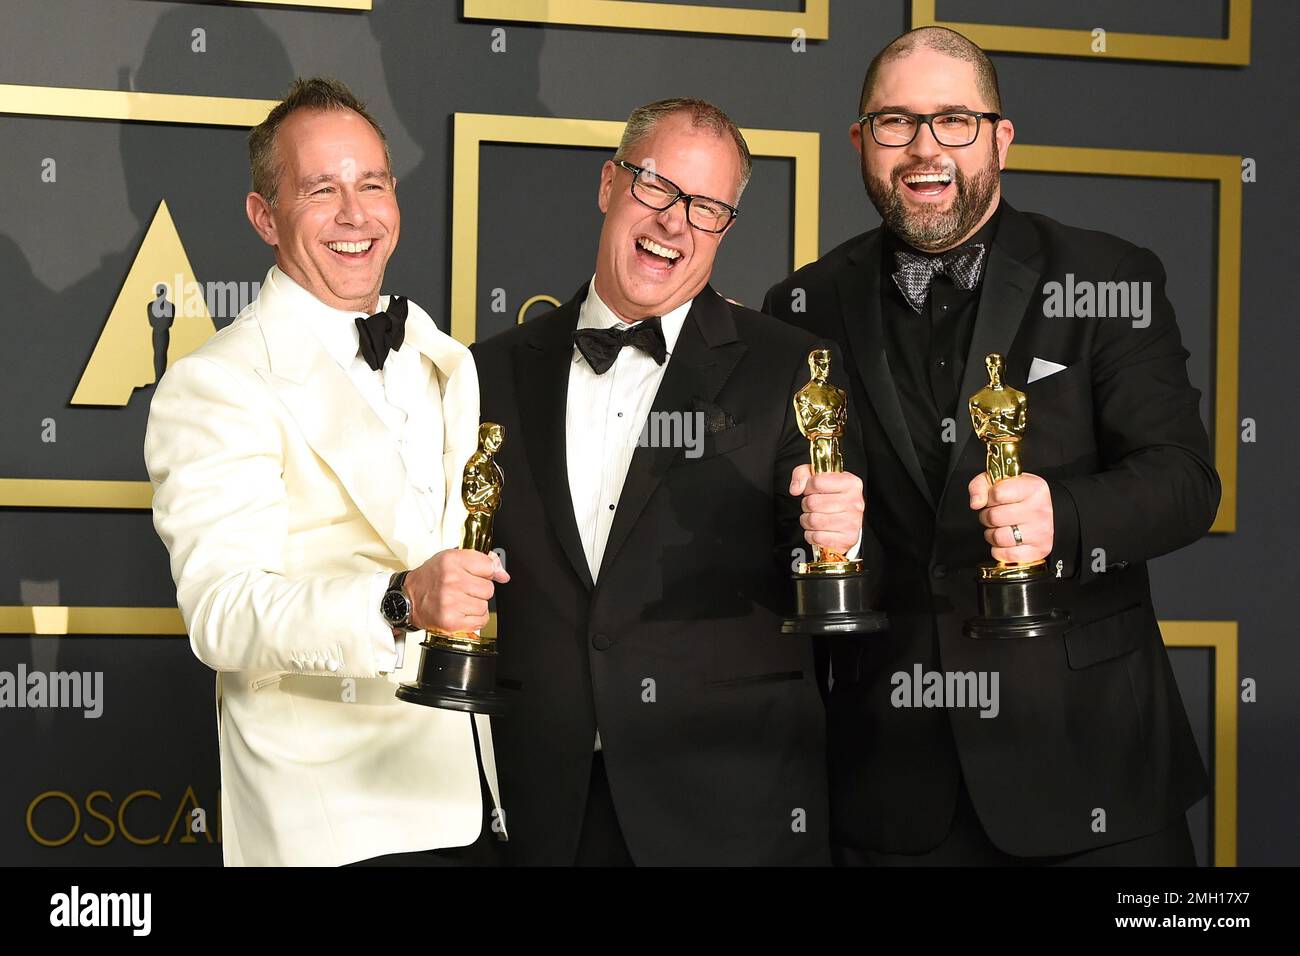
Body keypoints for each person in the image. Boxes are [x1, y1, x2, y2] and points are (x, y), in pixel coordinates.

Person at [764, 27, 1218, 865]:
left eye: (954, 121)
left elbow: (1186, 481)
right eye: (896, 122)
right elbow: (778, 517)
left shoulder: (1107, 276)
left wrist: (1064, 517)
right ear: (861, 141)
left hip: (1092, 772)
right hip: (890, 784)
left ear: (1001, 138)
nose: (924, 147)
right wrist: (820, 533)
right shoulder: (802, 304)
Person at [470, 98, 872, 865]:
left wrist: (838, 541)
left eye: (708, 207)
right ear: (608, 184)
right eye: (656, 187)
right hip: (542, 811)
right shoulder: (489, 371)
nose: (674, 224)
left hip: (729, 815)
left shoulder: (791, 367)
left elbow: (832, 579)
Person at [145, 77, 508, 866]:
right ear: (263, 217)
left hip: (470, 804)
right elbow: (222, 612)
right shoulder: (218, 381)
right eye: (322, 189)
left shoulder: (443, 357)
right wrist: (398, 598)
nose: (356, 215)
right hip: (327, 823)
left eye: (372, 183)